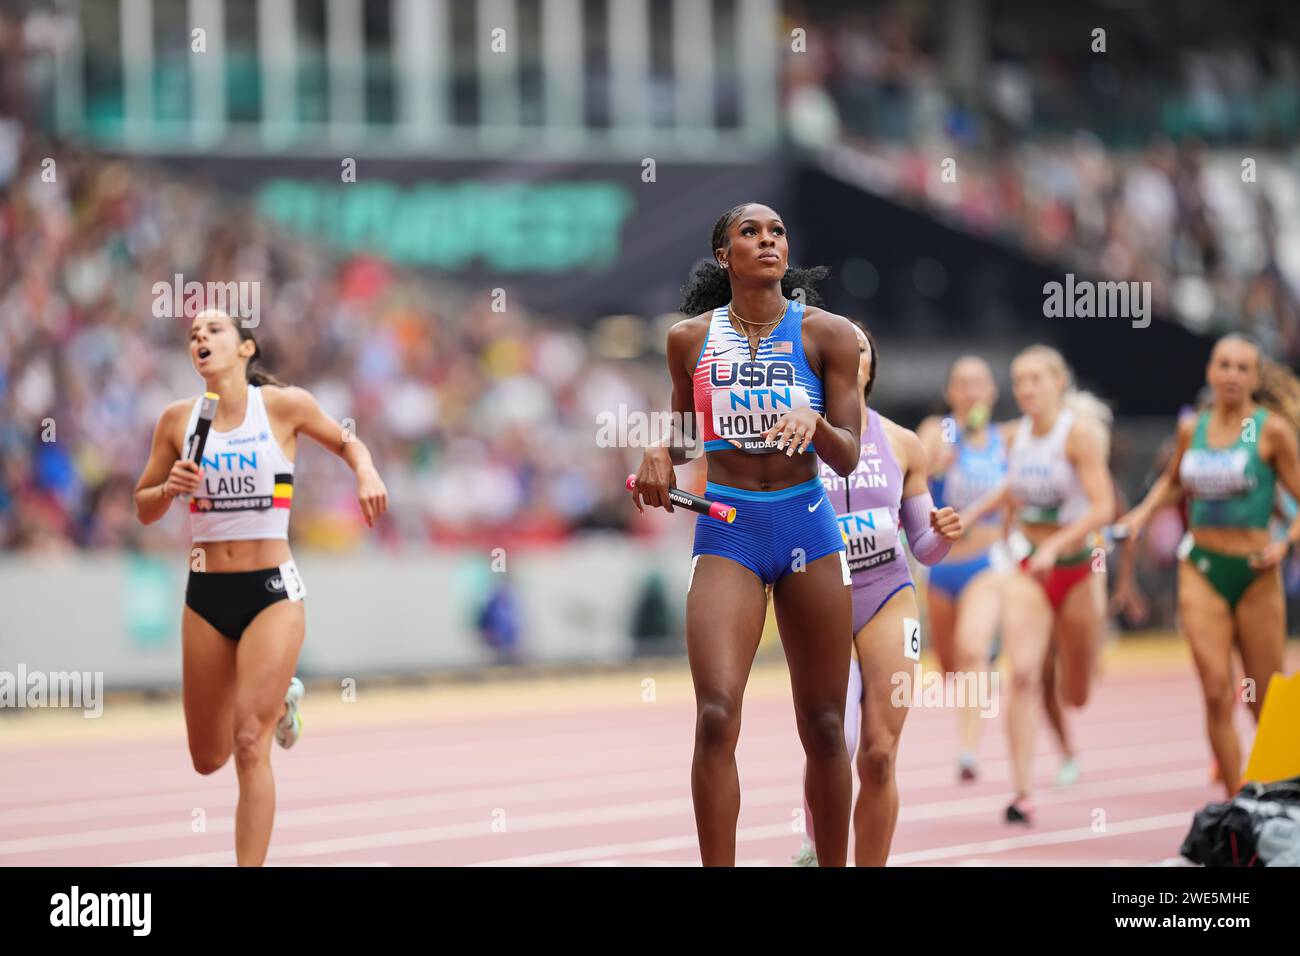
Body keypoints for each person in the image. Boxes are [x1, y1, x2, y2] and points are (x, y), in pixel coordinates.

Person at [631, 202, 862, 866]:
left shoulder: (830, 336)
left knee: (823, 725)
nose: (768, 241)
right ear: (725, 256)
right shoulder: (689, 341)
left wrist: (812, 422)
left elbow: (846, 453)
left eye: (778, 231)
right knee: (714, 717)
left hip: (806, 526)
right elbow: (682, 438)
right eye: (750, 233)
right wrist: (657, 454)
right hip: (728, 529)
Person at [134, 308, 388, 865]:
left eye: (215, 329)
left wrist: (365, 471)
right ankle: (281, 701)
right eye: (193, 334)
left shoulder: (282, 406)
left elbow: (349, 442)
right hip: (205, 597)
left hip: (272, 592)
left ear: (245, 349)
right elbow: (143, 506)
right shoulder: (178, 421)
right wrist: (168, 490)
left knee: (250, 744)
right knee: (208, 757)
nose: (200, 337)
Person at [793, 323, 961, 866]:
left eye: (860, 348)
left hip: (887, 594)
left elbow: (925, 547)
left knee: (880, 756)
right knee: (832, 744)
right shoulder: (799, 438)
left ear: (869, 366)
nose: (850, 354)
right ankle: (820, 849)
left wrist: (943, 534)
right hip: (821, 600)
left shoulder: (903, 443)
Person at [1118, 334, 1300, 796]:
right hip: (1201, 567)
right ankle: (1237, 804)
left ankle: (1280, 794)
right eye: (1225, 365)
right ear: (1210, 372)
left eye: (1243, 368)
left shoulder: (1270, 430)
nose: (1233, 376)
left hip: (1257, 572)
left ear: (1257, 378)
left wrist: (1284, 546)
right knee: (1218, 691)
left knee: (1264, 699)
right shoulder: (1191, 429)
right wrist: (1143, 511)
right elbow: (1174, 482)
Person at [965, 345, 1114, 824]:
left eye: (1035, 379)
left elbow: (1103, 507)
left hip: (1076, 568)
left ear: (1058, 382)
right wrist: (974, 515)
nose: (1026, 389)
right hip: (1030, 567)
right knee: (1024, 674)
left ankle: (1074, 713)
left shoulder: (1081, 436)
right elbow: (1014, 487)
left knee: (1076, 693)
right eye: (1019, 381)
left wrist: (1058, 546)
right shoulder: (1015, 435)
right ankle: (1022, 792)